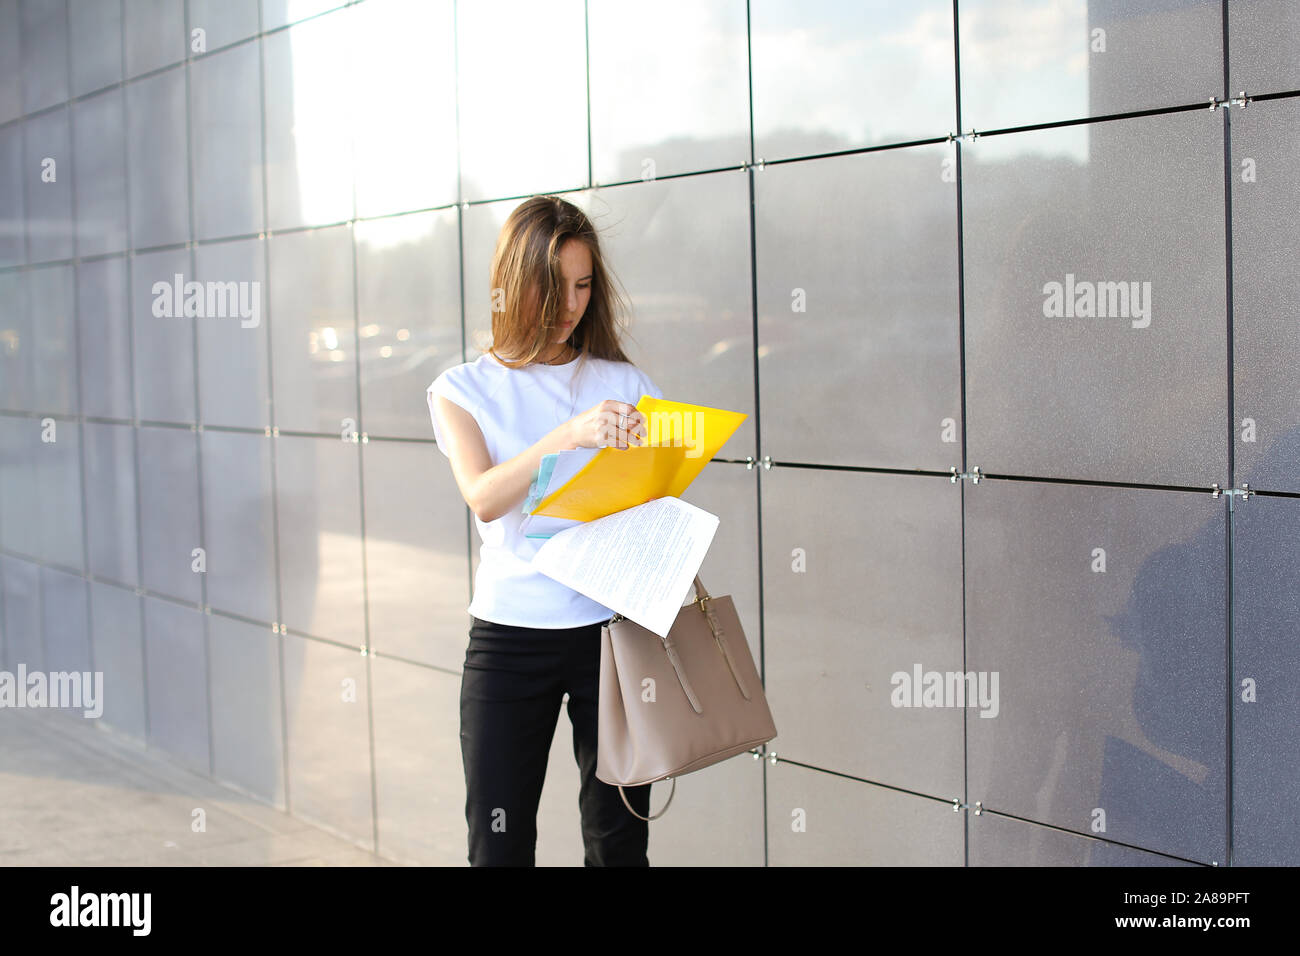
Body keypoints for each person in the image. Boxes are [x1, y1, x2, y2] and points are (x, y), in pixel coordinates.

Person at [426, 195, 663, 866]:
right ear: (515, 285)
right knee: (499, 846)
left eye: (584, 285)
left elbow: (647, 507)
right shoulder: (463, 390)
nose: (570, 304)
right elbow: (483, 497)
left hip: (610, 637)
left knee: (620, 846)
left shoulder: (627, 382)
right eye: (553, 285)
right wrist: (569, 436)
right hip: (509, 640)